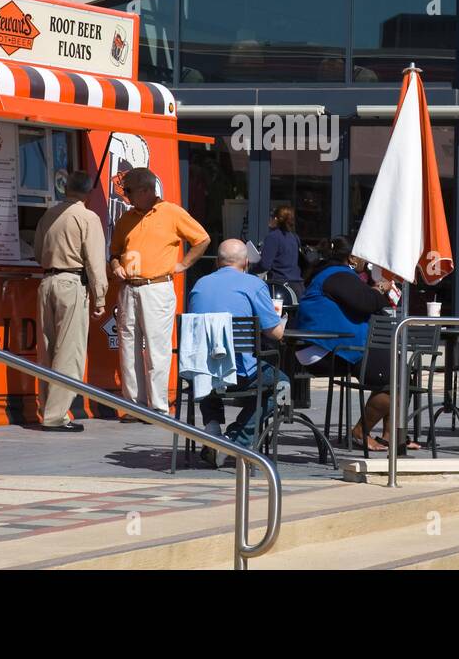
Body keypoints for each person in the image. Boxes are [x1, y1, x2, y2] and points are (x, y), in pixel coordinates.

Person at [295, 236, 418, 453]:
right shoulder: (337, 276)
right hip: (324, 349)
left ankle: (391, 436)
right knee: (393, 377)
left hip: (339, 345)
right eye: (364, 256)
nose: (366, 261)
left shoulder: (337, 275)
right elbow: (368, 303)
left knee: (399, 371)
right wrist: (380, 289)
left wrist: (375, 290)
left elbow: (365, 301)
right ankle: (360, 431)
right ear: (352, 258)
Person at [110, 167, 210, 417]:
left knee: (157, 348)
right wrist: (115, 266)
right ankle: (133, 406)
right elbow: (114, 252)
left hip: (156, 287)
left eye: (129, 190)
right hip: (128, 288)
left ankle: (157, 407)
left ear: (146, 190)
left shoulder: (171, 212)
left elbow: (202, 239)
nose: (126, 195)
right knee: (128, 348)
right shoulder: (127, 218)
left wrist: (183, 264)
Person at [187, 239, 288, 466]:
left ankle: (212, 428)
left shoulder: (199, 284)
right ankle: (234, 441)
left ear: (217, 262)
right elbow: (275, 334)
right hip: (239, 373)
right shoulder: (254, 284)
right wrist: (282, 321)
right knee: (281, 384)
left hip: (200, 372)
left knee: (210, 363)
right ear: (246, 263)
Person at [33, 170, 107, 431]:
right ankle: (55, 416)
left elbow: (37, 251)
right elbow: (95, 262)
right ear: (89, 193)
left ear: (66, 189)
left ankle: (46, 408)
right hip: (71, 282)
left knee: (47, 350)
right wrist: (100, 297)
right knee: (69, 352)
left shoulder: (49, 215)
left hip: (46, 282)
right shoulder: (88, 217)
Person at [255, 204, 303, 300]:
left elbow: (265, 265)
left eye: (271, 217)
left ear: (276, 219)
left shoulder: (273, 237)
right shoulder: (294, 237)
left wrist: (252, 269)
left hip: (280, 288)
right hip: (298, 287)